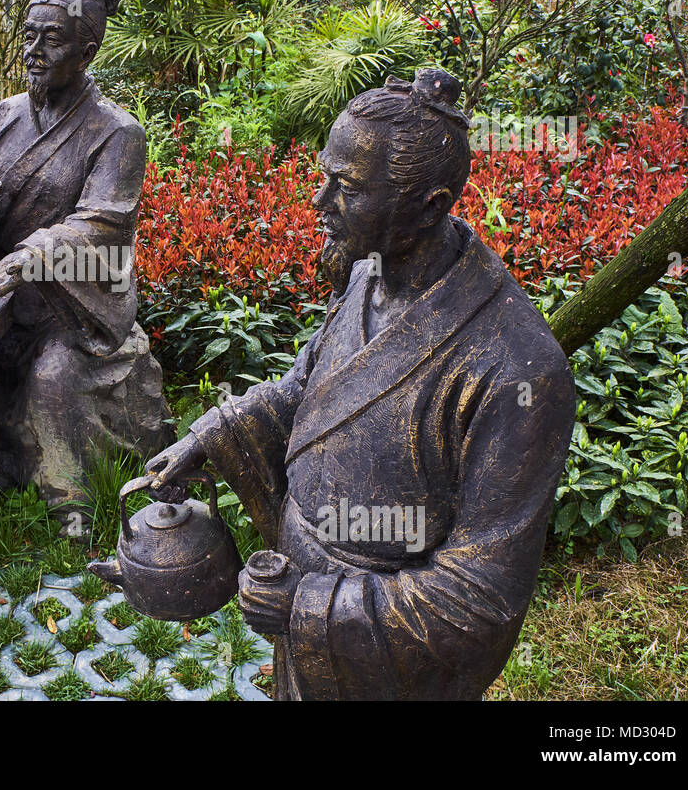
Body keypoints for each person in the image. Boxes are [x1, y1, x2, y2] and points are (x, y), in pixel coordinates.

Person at [148, 69, 575, 699]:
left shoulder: (518, 370)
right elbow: (310, 389)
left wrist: (315, 605)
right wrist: (215, 433)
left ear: (429, 205)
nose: (318, 203)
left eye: (345, 188)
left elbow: (481, 596)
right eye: (323, 176)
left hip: (386, 652)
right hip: (304, 603)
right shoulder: (367, 275)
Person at [0, 0, 174, 500]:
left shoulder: (118, 133)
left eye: (52, 40)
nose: (33, 50)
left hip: (70, 304)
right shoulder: (0, 118)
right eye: (29, 35)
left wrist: (28, 259)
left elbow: (99, 224)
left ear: (88, 51)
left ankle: (69, 504)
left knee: (53, 378)